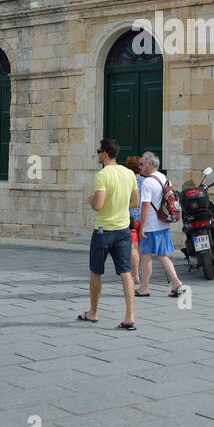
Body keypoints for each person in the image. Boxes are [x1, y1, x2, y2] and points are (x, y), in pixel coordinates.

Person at [76, 138, 138, 330]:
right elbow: (134, 202)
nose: (97, 154)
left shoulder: (102, 175)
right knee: (126, 273)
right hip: (123, 231)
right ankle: (130, 316)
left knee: (96, 271)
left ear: (104, 153)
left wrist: (92, 200)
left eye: (98, 151)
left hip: (103, 231)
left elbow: (99, 206)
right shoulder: (129, 174)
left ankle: (93, 312)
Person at [135, 152, 186, 298]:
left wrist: (142, 227)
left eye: (142, 164)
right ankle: (176, 283)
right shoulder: (165, 178)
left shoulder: (147, 182)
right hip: (163, 223)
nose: (140, 167)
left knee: (146, 256)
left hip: (151, 225)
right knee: (162, 255)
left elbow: (145, 206)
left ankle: (143, 288)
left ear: (150, 164)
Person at [124, 155, 143, 289]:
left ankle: (135, 275)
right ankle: (138, 273)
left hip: (130, 218)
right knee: (140, 248)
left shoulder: (126, 182)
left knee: (133, 247)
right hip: (144, 219)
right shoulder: (146, 181)